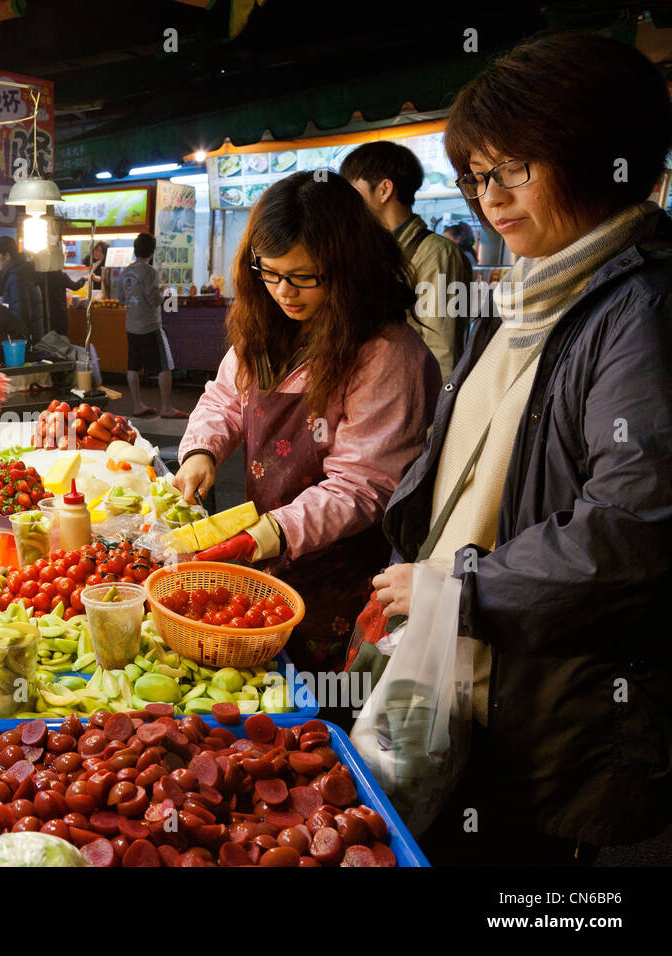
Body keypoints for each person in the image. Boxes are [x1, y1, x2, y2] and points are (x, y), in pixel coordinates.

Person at [370, 32, 672, 865]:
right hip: (469, 674)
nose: (490, 199)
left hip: (555, 707)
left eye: (516, 169)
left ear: (600, 158)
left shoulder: (641, 310)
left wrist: (458, 586)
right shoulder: (521, 293)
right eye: (478, 175)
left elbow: (631, 531)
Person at [174, 172, 439, 670]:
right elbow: (225, 399)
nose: (284, 292)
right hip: (267, 559)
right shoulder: (267, 325)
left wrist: (270, 532)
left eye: (304, 276)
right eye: (270, 273)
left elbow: (363, 485)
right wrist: (200, 452)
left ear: (347, 267)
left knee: (319, 699)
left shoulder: (386, 354)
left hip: (342, 574)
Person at [342, 140, 473, 380]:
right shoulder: (370, 250)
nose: (348, 201)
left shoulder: (437, 253)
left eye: (352, 189)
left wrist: (435, 415)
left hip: (415, 400)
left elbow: (443, 347)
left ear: (384, 189)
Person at [118, 232, 184, 418]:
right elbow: (154, 300)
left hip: (131, 326)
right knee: (165, 366)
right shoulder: (150, 272)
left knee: (133, 367)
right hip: (150, 326)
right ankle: (166, 407)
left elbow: (121, 299)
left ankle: (137, 405)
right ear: (152, 251)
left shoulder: (125, 272)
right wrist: (164, 293)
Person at [0, 235, 42, 341]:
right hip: (29, 335)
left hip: (23, 340)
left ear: (7, 256)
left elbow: (21, 315)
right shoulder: (16, 273)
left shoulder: (16, 278)